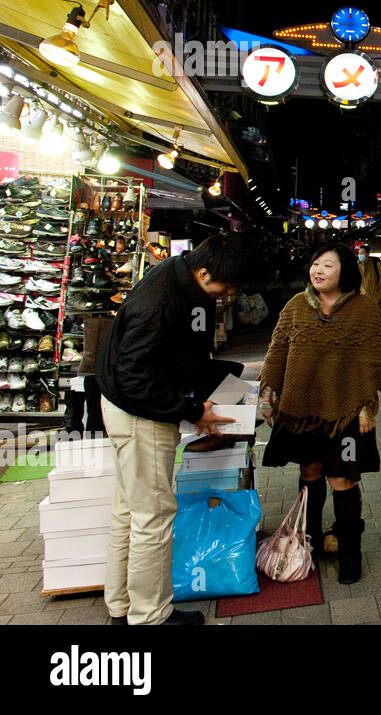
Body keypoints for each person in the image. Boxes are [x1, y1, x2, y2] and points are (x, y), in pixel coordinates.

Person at [98, 233, 245, 626]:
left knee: (129, 510)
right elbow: (136, 379)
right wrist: (193, 410)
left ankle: (122, 606)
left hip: (125, 407)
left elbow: (177, 357)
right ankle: (149, 616)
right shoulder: (160, 301)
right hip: (140, 415)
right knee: (153, 515)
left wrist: (228, 379)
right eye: (224, 285)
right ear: (202, 271)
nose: (226, 294)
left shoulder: (177, 281)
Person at [260, 243, 381, 585]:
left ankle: (351, 555)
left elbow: (373, 361)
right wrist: (268, 393)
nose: (318, 270)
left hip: (347, 412)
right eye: (315, 264)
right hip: (302, 411)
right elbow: (277, 351)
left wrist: (369, 407)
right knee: (310, 474)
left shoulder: (364, 310)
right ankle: (308, 543)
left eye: (328, 265)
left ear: (345, 273)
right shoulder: (295, 307)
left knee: (342, 478)